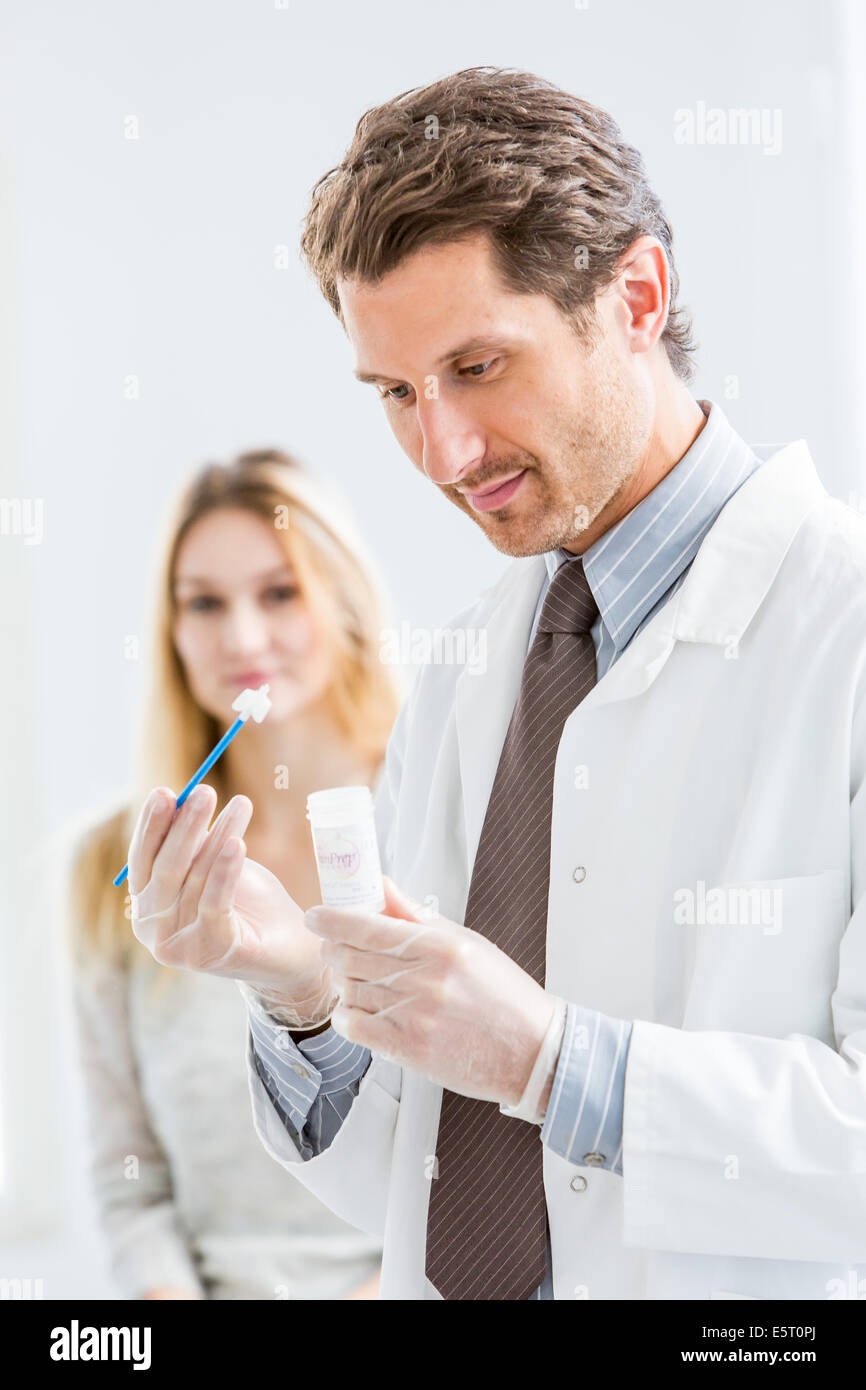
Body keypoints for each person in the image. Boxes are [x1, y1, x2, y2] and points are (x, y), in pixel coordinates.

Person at [124, 67, 866, 1300]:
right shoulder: (475, 664)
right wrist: (302, 991)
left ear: (635, 295)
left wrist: (548, 1057)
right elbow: (426, 1181)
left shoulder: (836, 630)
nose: (443, 451)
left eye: (477, 366)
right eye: (397, 394)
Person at [66, 448, 404, 1299]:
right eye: (204, 604)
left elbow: (484, 1160)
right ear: (172, 633)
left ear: (344, 601)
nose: (242, 638)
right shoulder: (117, 863)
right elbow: (129, 1185)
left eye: (279, 592)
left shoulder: (440, 815)